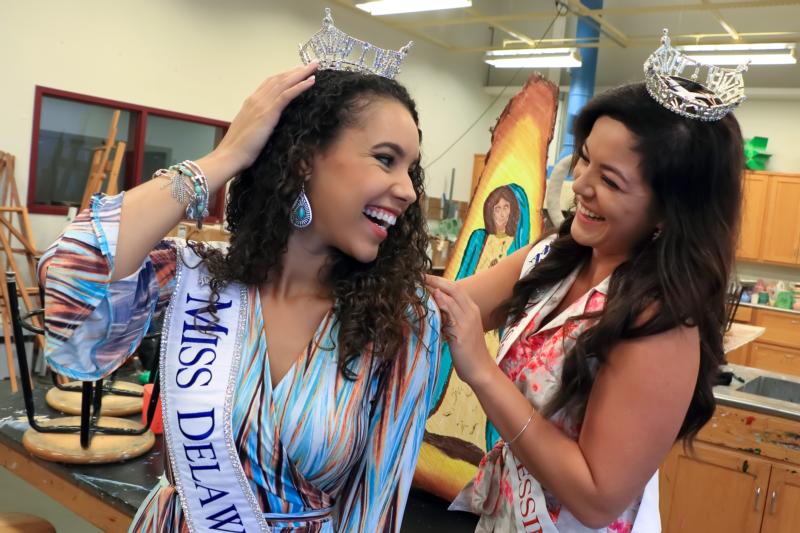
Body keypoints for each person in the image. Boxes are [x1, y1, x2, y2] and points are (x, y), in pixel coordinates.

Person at [37, 11, 441, 532]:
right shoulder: (195, 282)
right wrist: (224, 157)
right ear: (304, 159)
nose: (407, 190)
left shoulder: (398, 320)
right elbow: (68, 280)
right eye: (386, 159)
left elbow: (375, 508)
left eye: (411, 169)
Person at [427, 33, 745, 531]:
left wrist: (483, 373)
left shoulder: (659, 323)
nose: (579, 183)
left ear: (670, 211)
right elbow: (447, 307)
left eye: (610, 180)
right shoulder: (555, 256)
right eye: (585, 158)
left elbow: (598, 497)